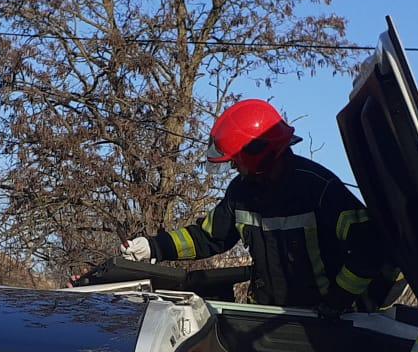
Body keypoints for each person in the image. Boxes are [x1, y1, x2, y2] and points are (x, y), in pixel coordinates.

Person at [120, 99, 394, 312]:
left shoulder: (319, 189)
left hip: (322, 322)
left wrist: (338, 301)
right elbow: (207, 237)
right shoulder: (241, 192)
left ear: (257, 154)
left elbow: (368, 247)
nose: (234, 167)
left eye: (236, 160)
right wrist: (153, 247)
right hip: (267, 315)